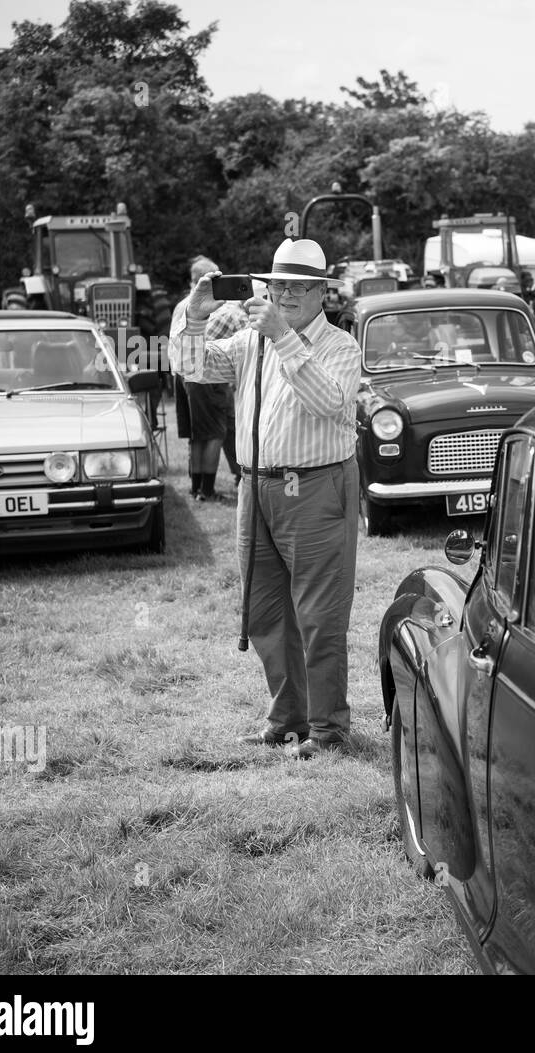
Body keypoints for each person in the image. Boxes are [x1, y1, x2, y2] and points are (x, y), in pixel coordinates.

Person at [174, 238, 362, 760]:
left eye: (299, 287)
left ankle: (328, 730)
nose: (286, 294)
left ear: (320, 293)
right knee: (263, 613)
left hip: (318, 488)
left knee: (320, 616)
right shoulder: (251, 342)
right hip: (256, 487)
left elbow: (326, 401)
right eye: (278, 285)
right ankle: (286, 719)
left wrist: (282, 337)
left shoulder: (341, 346)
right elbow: (195, 369)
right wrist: (192, 317)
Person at [168, 257, 242, 501]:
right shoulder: (224, 307)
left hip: (183, 375)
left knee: (197, 434)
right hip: (208, 375)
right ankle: (207, 491)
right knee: (214, 434)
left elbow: (173, 343)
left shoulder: (182, 306)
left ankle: (196, 487)